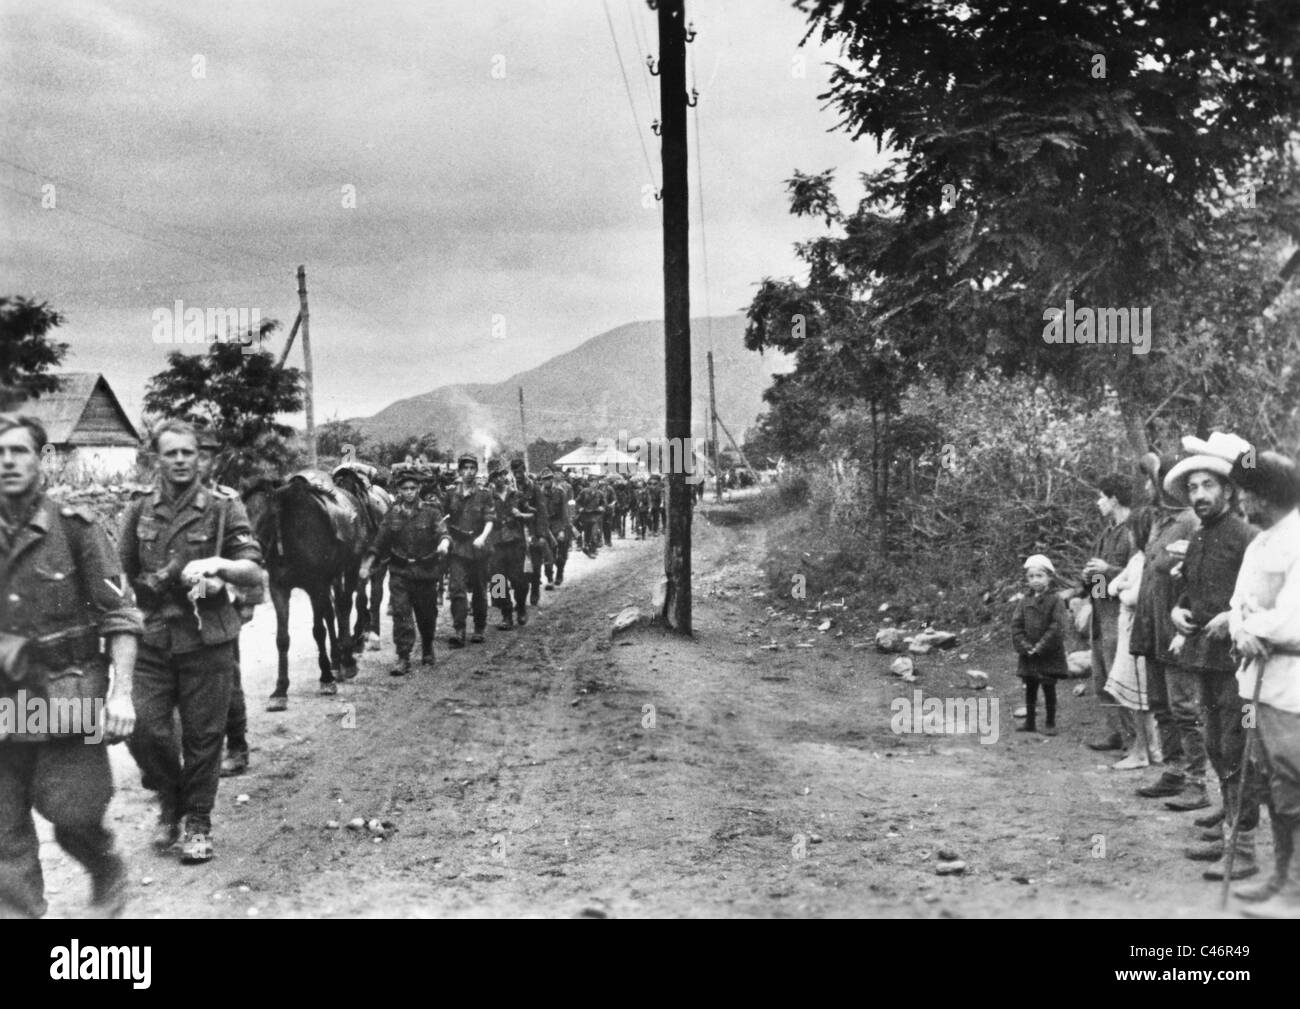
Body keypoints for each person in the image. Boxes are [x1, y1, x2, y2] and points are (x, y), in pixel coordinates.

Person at [0, 413, 142, 918]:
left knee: (73, 815)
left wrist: (120, 692)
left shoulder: (76, 529)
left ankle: (103, 865)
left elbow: (120, 615)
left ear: (45, 459)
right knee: (4, 840)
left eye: (19, 451)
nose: (7, 462)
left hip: (67, 701)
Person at [119, 419, 266, 864]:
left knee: (204, 737)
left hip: (206, 637)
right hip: (152, 636)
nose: (181, 461)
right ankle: (170, 796)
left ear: (200, 457)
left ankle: (197, 821)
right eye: (171, 454)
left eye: (188, 453)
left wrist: (219, 565)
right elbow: (120, 570)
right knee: (143, 727)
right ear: (157, 458)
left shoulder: (224, 507)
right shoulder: (139, 508)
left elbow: (253, 570)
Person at [1159, 434, 1258, 881]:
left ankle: (1245, 850)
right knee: (1218, 748)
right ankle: (1227, 833)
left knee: (1239, 751)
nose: (1199, 495)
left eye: (1207, 486)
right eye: (1193, 488)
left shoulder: (1249, 538)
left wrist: (1232, 618)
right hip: (1206, 660)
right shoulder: (1200, 536)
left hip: (1243, 666)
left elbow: (1265, 601)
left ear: (1228, 490)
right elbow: (1191, 588)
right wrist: (1179, 608)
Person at [1227, 451, 1300, 915]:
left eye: (1249, 491)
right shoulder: (1259, 544)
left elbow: (1295, 620)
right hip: (1256, 681)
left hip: (1294, 683)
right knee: (1274, 782)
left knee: (1294, 782)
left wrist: (1257, 626)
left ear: (1269, 494)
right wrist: (1240, 626)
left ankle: (1294, 890)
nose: (1244, 500)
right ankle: (1282, 878)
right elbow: (1236, 605)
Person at [1131, 455, 1198, 794]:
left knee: (1182, 706)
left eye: (1152, 480)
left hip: (1176, 631)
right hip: (1153, 627)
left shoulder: (1190, 522)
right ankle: (1174, 772)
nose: (1147, 487)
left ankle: (1195, 778)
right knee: (1160, 704)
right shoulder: (1158, 522)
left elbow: (1195, 580)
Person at [194, 427, 254, 779]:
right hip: (172, 611)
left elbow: (247, 558)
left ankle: (237, 746)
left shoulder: (226, 503)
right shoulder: (159, 503)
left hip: (216, 607)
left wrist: (245, 600)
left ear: (213, 462)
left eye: (203, 455)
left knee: (227, 680)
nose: (193, 462)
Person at [358, 470, 449, 675]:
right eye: (405, 489)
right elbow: (379, 542)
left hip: (425, 571)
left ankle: (427, 647)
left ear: (418, 490)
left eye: (413, 489)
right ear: (399, 490)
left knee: (427, 615)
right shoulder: (392, 514)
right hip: (400, 572)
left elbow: (443, 532)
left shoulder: (431, 512)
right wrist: (368, 563)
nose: (409, 492)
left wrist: (443, 543)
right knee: (401, 614)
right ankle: (403, 656)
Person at [1080, 475, 1139, 753]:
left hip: (1121, 617)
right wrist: (1090, 578)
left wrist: (1108, 571)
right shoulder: (1106, 533)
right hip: (1101, 616)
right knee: (1101, 677)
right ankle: (1115, 732)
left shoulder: (1133, 532)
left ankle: (1134, 739)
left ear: (1114, 498)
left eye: (1102, 497)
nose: (1099, 502)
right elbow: (1101, 586)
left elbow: (1139, 573)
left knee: (1121, 677)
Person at [1011, 554, 1068, 735]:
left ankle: (1050, 722)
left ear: (1049, 578)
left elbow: (1057, 627)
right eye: (1031, 576)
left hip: (1048, 653)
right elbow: (1016, 624)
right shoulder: (1024, 601)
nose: (1035, 580)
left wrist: (1041, 646)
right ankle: (1030, 722)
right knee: (1030, 686)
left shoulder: (1056, 600)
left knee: (1048, 686)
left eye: (1040, 576)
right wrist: (1025, 646)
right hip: (1029, 654)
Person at [443, 453, 494, 647]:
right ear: (460, 471)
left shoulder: (484, 493)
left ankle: (479, 627)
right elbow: (443, 519)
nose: (469, 472)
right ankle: (459, 629)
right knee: (457, 588)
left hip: (479, 547)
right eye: (465, 468)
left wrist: (482, 537)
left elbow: (490, 519)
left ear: (477, 471)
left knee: (480, 589)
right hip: (457, 547)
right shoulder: (450, 493)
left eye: (472, 468)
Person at [486, 460, 532, 629]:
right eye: (495, 476)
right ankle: (506, 614)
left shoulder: (516, 495)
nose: (499, 479)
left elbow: (531, 514)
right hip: (496, 544)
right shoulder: (488, 497)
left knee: (520, 580)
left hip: (515, 542)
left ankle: (520, 607)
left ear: (506, 475)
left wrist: (521, 515)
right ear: (491, 479)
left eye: (501, 475)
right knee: (498, 581)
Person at [539, 469, 569, 589]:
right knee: (548, 554)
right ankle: (550, 579)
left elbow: (564, 512)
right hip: (546, 525)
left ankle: (559, 573)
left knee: (561, 554)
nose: (547, 481)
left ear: (552, 479)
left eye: (549, 479)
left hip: (558, 523)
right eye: (544, 479)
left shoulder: (560, 492)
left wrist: (562, 529)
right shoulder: (539, 493)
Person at [576, 477, 605, 558]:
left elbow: (603, 503)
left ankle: (593, 548)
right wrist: (579, 508)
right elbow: (577, 501)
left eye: (596, 482)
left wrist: (602, 507)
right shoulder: (584, 492)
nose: (594, 484)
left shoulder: (600, 493)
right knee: (587, 533)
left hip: (596, 515)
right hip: (586, 515)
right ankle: (587, 547)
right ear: (589, 483)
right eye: (592, 482)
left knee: (594, 532)